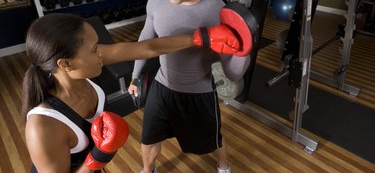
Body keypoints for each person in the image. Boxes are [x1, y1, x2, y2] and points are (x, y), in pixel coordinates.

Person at [22, 13, 241, 172]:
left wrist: (202, 37)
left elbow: (149, 48)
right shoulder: (43, 127)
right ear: (65, 64)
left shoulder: (80, 67)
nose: (102, 53)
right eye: (94, 49)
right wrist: (100, 155)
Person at [128, 0, 251, 173]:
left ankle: (224, 166)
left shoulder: (217, 11)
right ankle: (147, 170)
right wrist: (135, 76)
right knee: (149, 138)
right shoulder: (156, 1)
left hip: (199, 92)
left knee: (211, 141)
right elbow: (146, 41)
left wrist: (244, 49)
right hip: (162, 86)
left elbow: (232, 72)